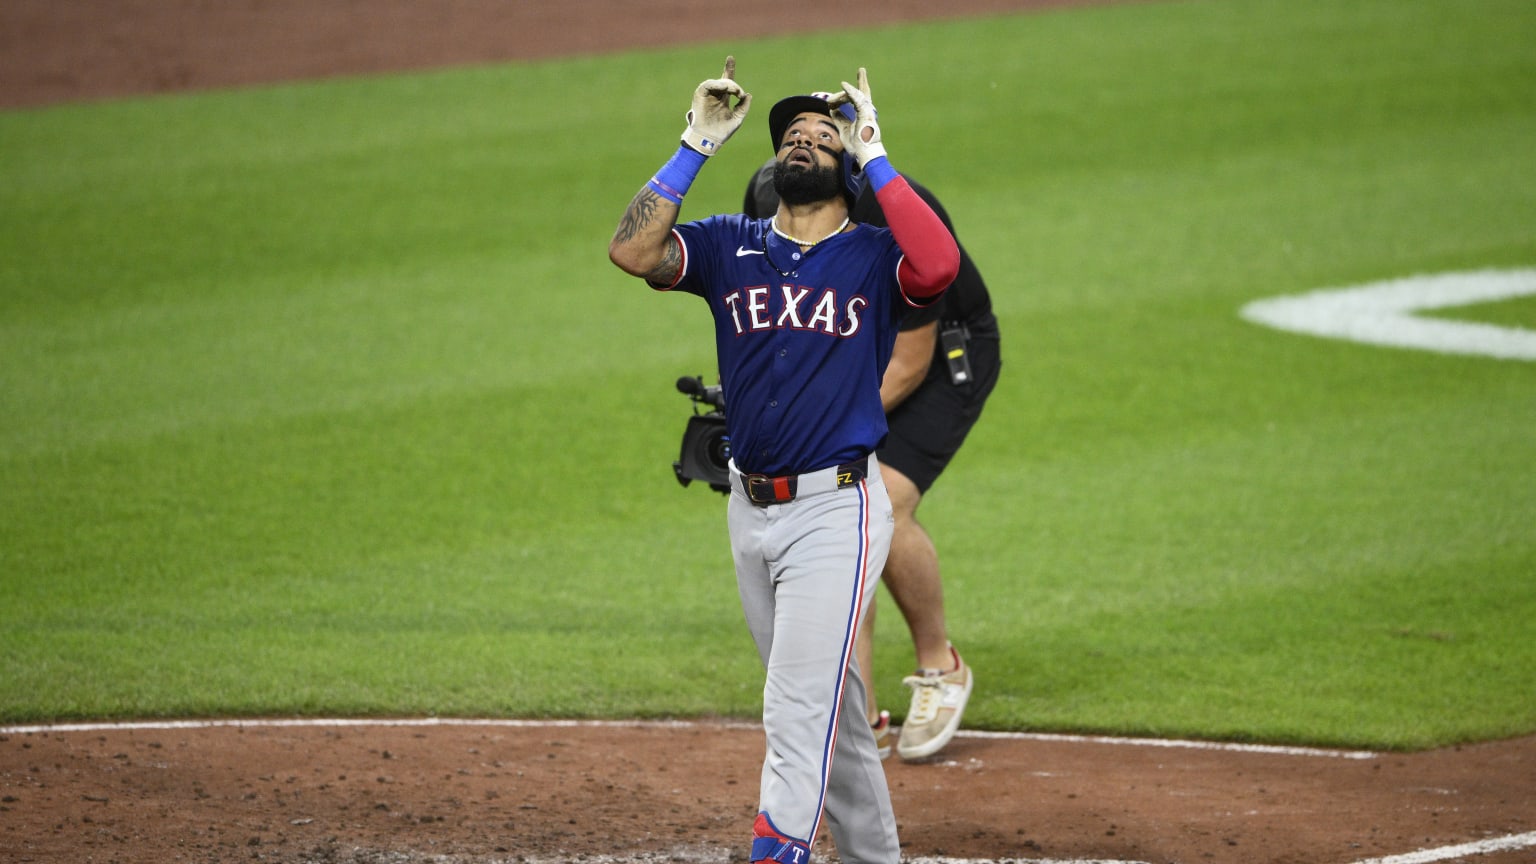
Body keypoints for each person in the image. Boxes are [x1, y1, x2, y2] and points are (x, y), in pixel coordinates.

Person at [609, 58, 959, 864]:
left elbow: (938, 267)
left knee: (795, 710)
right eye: (791, 135)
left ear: (847, 170)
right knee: (832, 716)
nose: (802, 140)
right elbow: (631, 251)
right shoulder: (727, 246)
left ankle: (780, 852)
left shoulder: (873, 256)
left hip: (836, 511)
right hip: (750, 510)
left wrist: (875, 151)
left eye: (822, 136)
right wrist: (696, 143)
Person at [743, 156, 1001, 761]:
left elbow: (909, 361)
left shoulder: (895, 214)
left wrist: (813, 417)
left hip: (941, 359)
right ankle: (859, 719)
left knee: (881, 496)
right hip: (852, 353)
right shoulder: (767, 196)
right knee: (832, 516)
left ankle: (941, 665)